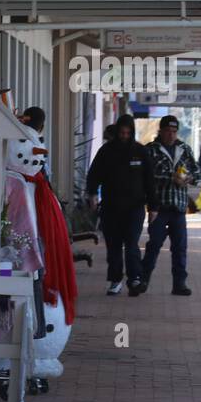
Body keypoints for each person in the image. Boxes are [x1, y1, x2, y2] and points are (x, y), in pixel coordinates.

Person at [86, 114, 153, 296]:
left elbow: (149, 180)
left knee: (131, 244)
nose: (124, 136)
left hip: (134, 207)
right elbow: (94, 174)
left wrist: (153, 207)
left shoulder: (140, 151)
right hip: (111, 207)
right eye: (122, 132)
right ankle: (115, 280)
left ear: (132, 132)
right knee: (114, 246)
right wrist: (92, 194)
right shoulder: (106, 151)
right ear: (117, 132)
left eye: (127, 133)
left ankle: (135, 278)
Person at [139, 115, 201, 297]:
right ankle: (143, 279)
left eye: (174, 131)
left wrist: (188, 178)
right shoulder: (151, 150)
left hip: (179, 207)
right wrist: (171, 177)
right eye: (168, 131)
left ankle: (179, 284)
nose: (171, 135)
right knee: (154, 245)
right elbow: (145, 176)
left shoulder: (184, 149)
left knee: (180, 247)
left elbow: (197, 173)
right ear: (161, 131)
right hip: (159, 207)